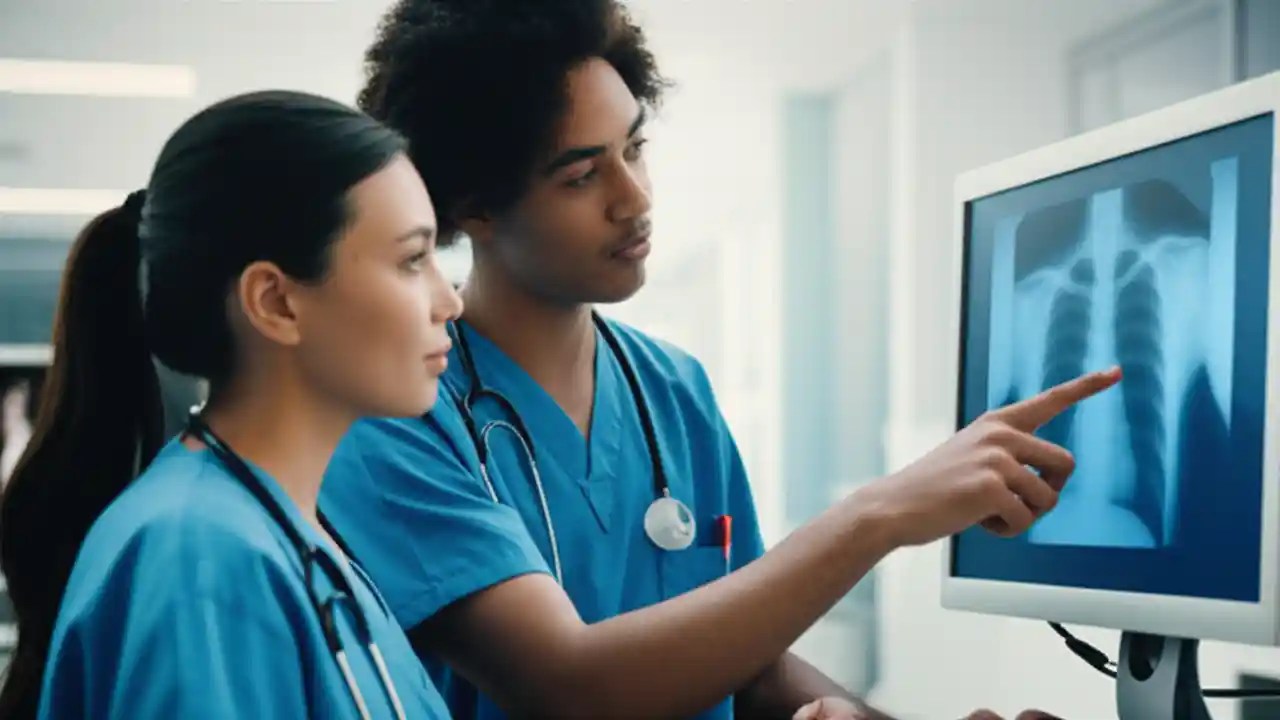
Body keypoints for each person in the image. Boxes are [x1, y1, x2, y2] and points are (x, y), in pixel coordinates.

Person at [320, 2, 1118, 718]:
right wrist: (878, 516)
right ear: (473, 204)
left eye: (636, 148)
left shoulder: (673, 389)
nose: (636, 198)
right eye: (583, 175)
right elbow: (569, 687)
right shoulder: (395, 415)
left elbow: (748, 661)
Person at [0, 90, 463, 719]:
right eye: (412, 260)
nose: (449, 301)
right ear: (275, 303)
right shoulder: (201, 558)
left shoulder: (282, 534)